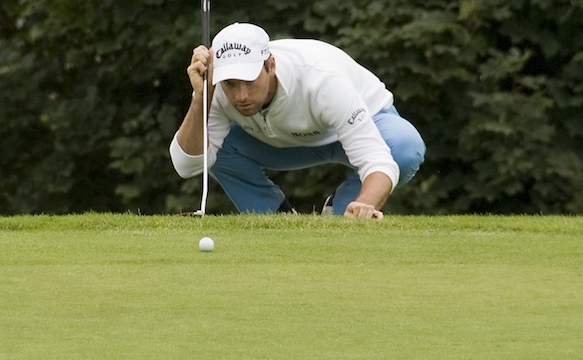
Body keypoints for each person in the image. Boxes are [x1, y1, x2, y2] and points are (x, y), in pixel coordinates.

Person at [169, 22, 425, 219]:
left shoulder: (322, 79)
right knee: (213, 145)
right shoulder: (213, 88)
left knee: (404, 148)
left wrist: (366, 204)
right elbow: (187, 166)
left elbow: (377, 159)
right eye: (231, 84)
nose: (241, 96)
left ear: (271, 65)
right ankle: (275, 220)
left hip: (356, 126)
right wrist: (200, 98)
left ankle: (343, 213)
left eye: (249, 81)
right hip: (279, 140)